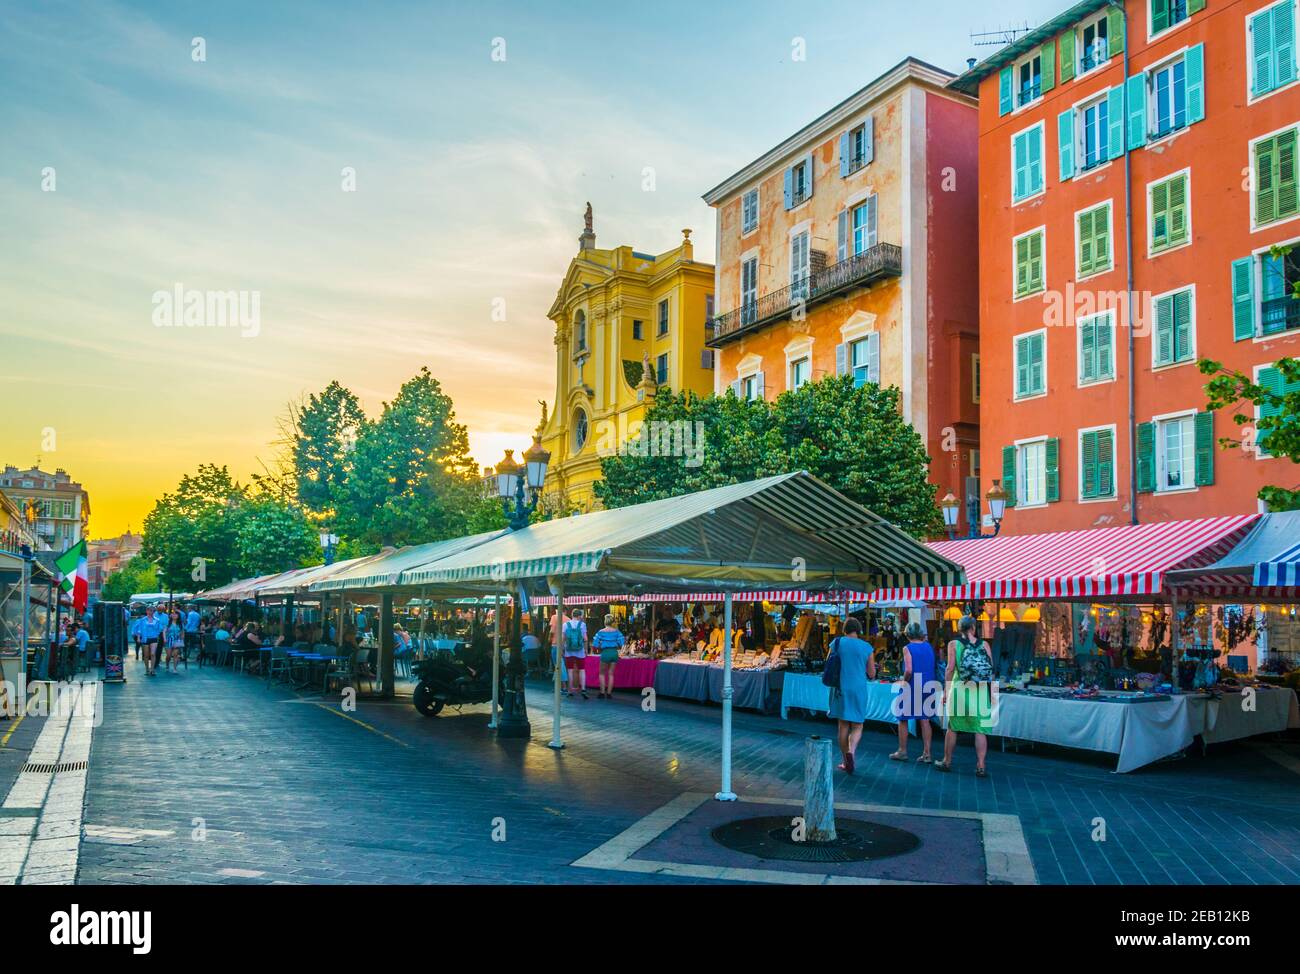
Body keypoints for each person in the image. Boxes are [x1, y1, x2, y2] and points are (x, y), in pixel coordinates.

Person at [936, 615, 995, 777]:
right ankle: (981, 765)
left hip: (960, 687)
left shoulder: (954, 644)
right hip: (981, 690)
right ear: (973, 628)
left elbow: (949, 669)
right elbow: (990, 668)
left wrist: (945, 691)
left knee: (953, 727)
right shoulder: (985, 644)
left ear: (959, 628)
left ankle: (947, 761)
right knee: (980, 729)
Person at [826, 617, 876, 774]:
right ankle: (851, 753)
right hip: (858, 688)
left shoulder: (837, 643)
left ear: (844, 629)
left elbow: (828, 662)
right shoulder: (866, 647)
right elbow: (871, 673)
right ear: (859, 630)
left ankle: (844, 759)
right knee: (857, 725)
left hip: (841, 687)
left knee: (843, 725)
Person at [890, 621, 936, 764]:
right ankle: (927, 754)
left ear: (907, 634)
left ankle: (902, 751)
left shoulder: (907, 648)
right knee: (925, 719)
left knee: (902, 718)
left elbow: (909, 669)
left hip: (913, 684)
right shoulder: (928, 646)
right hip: (929, 684)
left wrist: (904, 681)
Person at [591, 614, 625, 699]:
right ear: (613, 621)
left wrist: (596, 650)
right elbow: (622, 644)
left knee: (602, 673)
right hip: (614, 653)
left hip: (605, 653)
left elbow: (595, 644)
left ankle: (602, 692)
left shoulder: (601, 632)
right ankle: (609, 693)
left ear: (605, 621)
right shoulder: (617, 632)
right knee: (611, 674)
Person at [561, 609, 589, 698]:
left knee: (570, 670)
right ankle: (583, 689)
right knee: (582, 670)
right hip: (580, 651)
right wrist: (586, 649)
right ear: (579, 616)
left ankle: (570, 691)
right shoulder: (582, 625)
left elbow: (563, 638)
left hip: (568, 651)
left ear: (572, 615)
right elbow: (585, 638)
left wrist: (562, 649)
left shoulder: (565, 625)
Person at [137, 606, 166, 676]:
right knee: (146, 655)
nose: (150, 612)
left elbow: (161, 629)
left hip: (154, 638)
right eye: (149, 610)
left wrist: (159, 634)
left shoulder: (157, 620)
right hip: (145, 638)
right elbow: (139, 630)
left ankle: (152, 669)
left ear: (154, 612)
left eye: (152, 611)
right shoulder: (142, 620)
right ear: (147, 611)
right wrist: (138, 638)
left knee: (153, 654)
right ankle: (147, 669)